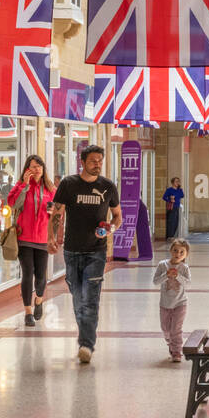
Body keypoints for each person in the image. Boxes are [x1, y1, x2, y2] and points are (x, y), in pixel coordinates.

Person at [49, 145, 121, 365]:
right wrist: (52, 236)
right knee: (78, 300)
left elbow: (118, 216)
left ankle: (87, 345)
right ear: (83, 162)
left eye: (100, 160)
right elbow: (57, 213)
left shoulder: (108, 187)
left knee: (90, 299)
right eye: (93, 161)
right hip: (72, 250)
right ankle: (85, 339)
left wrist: (110, 228)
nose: (97, 164)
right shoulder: (69, 184)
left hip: (96, 252)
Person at [4, 155, 55, 327]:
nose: (36, 169)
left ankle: (39, 300)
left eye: (39, 166)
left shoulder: (50, 189)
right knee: (27, 274)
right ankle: (27, 312)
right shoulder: (20, 186)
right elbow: (13, 204)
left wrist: (55, 211)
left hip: (42, 239)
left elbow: (58, 213)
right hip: (24, 238)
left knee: (41, 276)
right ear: (27, 169)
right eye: (33, 167)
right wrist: (23, 185)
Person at [153, 238, 191, 362]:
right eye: (175, 251)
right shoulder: (162, 265)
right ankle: (170, 342)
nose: (178, 254)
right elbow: (155, 281)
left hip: (180, 303)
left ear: (186, 254)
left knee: (176, 328)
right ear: (170, 250)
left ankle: (176, 351)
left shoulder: (184, 268)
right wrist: (166, 275)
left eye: (182, 252)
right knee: (165, 328)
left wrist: (178, 276)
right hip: (165, 304)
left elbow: (188, 284)